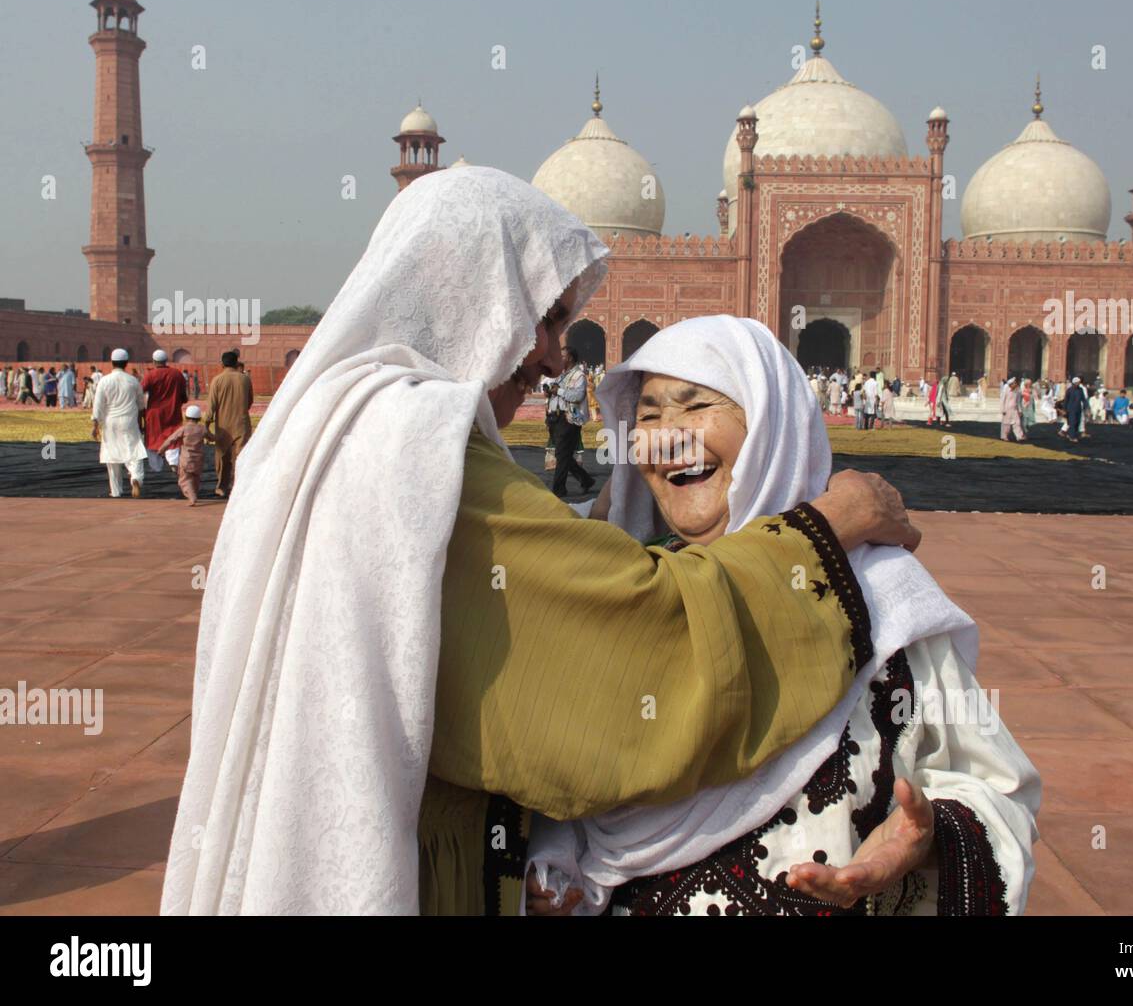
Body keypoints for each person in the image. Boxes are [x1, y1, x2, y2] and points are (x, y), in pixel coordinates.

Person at [159, 167, 921, 916]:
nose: (557, 355)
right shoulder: (419, 453)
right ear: (478, 299)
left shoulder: (327, 426)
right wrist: (831, 524)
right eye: (548, 319)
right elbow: (646, 652)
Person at [527, 317, 1039, 916]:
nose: (666, 437)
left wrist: (926, 840)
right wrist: (556, 861)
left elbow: (998, 790)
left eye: (694, 406)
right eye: (648, 415)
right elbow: (556, 778)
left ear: (770, 424)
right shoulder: (628, 591)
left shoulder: (883, 600)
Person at [91, 348, 148, 498]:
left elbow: (98, 405)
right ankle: (136, 478)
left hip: (110, 422)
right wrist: (142, 423)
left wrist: (95, 425)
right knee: (133, 451)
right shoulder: (133, 381)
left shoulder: (104, 381)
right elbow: (141, 405)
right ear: (126, 363)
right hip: (129, 421)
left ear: (112, 362)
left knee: (112, 455)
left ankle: (116, 491)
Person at [205, 350, 254, 497]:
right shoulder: (245, 379)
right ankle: (239, 486)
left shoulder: (217, 380)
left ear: (222, 363)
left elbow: (212, 405)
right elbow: (249, 401)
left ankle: (222, 486)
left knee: (222, 457)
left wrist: (207, 425)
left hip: (223, 426)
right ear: (236, 362)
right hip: (242, 424)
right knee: (241, 457)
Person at [550, 345, 594, 496]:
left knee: (562, 455)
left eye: (562, 356)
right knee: (563, 455)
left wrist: (559, 391)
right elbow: (559, 394)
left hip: (570, 418)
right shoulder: (563, 375)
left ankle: (559, 489)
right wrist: (551, 392)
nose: (559, 359)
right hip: (557, 418)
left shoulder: (579, 376)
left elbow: (577, 396)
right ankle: (586, 479)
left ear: (569, 358)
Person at [142, 349, 188, 474]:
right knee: (173, 436)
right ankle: (173, 463)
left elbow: (141, 390)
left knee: (153, 438)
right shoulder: (176, 374)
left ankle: (156, 467)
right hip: (172, 411)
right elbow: (183, 394)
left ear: (154, 361)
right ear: (165, 360)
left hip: (154, 413)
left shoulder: (150, 375)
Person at [158, 405, 214, 505]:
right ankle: (194, 494)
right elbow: (211, 438)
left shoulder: (183, 429)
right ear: (199, 418)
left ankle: (192, 497)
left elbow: (170, 440)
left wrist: (161, 450)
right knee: (195, 479)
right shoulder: (202, 429)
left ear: (186, 417)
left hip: (186, 460)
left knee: (184, 480)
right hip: (199, 460)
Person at [999, 374, 1024, 441]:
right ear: (1011, 384)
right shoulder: (1006, 389)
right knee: (1006, 424)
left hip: (1015, 409)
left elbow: (1019, 402)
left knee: (1017, 423)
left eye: (1016, 383)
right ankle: (1004, 436)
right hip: (1007, 410)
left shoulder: (1018, 390)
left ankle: (1019, 436)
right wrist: (1002, 409)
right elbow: (1002, 400)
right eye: (1014, 383)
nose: (1015, 385)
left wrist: (1020, 410)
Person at [1063, 376, 1086, 442]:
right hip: (1071, 409)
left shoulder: (1080, 390)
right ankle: (1072, 437)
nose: (1078, 384)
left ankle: (1071, 434)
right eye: (1077, 383)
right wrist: (1064, 410)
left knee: (1077, 423)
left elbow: (1083, 399)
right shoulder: (1069, 390)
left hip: (1078, 409)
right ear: (1074, 383)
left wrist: (1086, 407)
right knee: (1072, 423)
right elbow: (1066, 400)